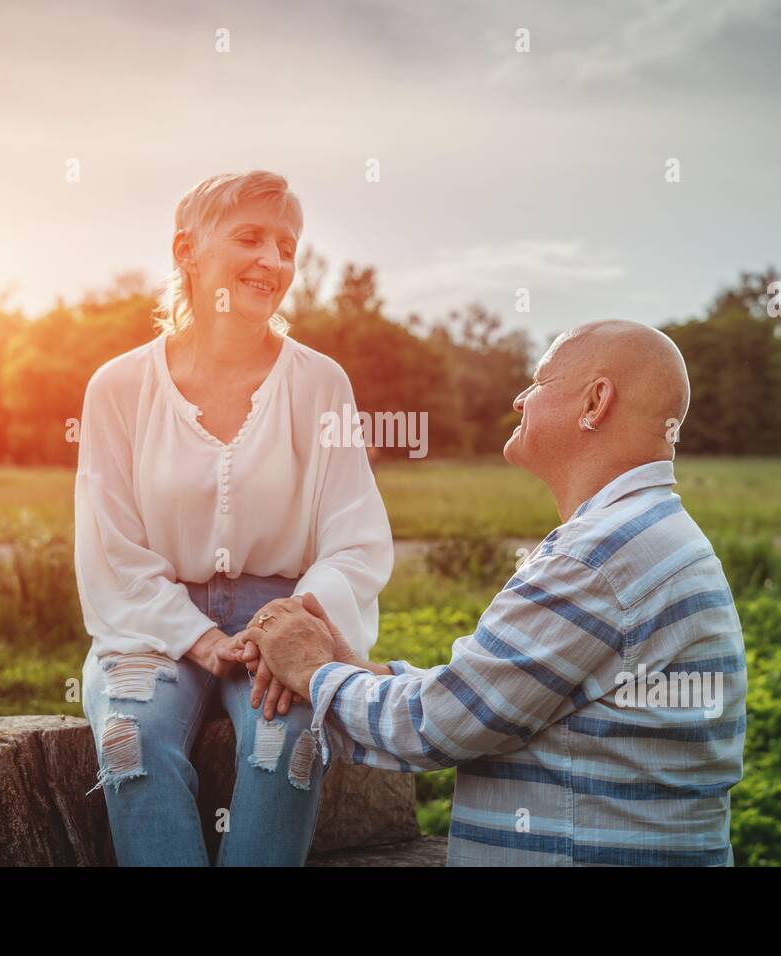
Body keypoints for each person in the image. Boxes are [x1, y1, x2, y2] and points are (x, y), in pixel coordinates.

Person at [234, 320, 747, 866]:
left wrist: (314, 672)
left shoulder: (596, 557)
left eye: (539, 382)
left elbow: (437, 724)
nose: (519, 400)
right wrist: (354, 666)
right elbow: (490, 693)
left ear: (595, 403)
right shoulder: (649, 533)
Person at [75, 170, 394, 866]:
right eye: (251, 238)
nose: (274, 262)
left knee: (290, 741)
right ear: (187, 251)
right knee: (129, 742)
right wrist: (199, 639)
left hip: (287, 611)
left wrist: (295, 627)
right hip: (152, 625)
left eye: (287, 246)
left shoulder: (320, 383)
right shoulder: (118, 388)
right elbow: (113, 553)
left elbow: (356, 538)